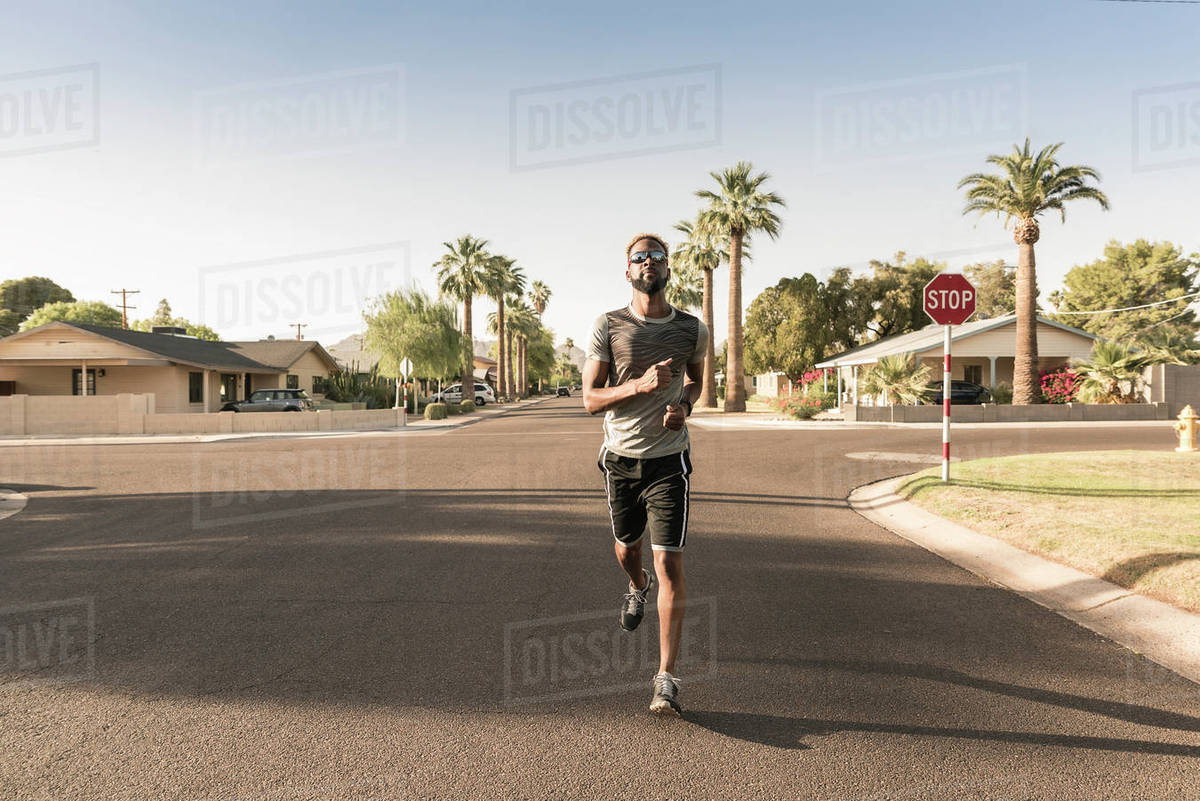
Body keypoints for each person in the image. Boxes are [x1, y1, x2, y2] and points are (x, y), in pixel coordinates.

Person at [582, 233, 708, 716]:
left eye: (657, 256)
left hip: (669, 459)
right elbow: (591, 400)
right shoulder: (609, 325)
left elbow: (696, 380)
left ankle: (666, 678)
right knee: (625, 550)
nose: (649, 262)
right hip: (620, 458)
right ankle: (635, 588)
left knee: (670, 563)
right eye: (640, 257)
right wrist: (638, 384)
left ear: (668, 267)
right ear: (628, 270)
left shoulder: (692, 328)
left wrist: (684, 405)